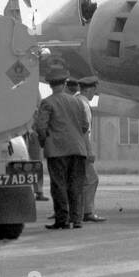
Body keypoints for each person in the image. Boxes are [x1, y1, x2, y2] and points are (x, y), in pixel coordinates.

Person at [35, 68, 90, 229]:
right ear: (65, 83)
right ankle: (76, 219)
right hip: (78, 149)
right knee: (76, 185)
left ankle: (62, 220)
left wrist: (44, 141)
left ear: (50, 85)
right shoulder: (77, 102)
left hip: (57, 151)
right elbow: (85, 125)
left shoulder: (47, 103)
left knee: (59, 185)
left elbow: (41, 127)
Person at [75, 76, 108, 222]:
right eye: (94, 90)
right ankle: (88, 212)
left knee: (79, 180)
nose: (95, 93)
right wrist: (89, 152)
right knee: (92, 179)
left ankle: (79, 211)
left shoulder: (75, 101)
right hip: (81, 148)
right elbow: (85, 131)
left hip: (72, 148)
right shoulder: (84, 105)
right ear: (88, 89)